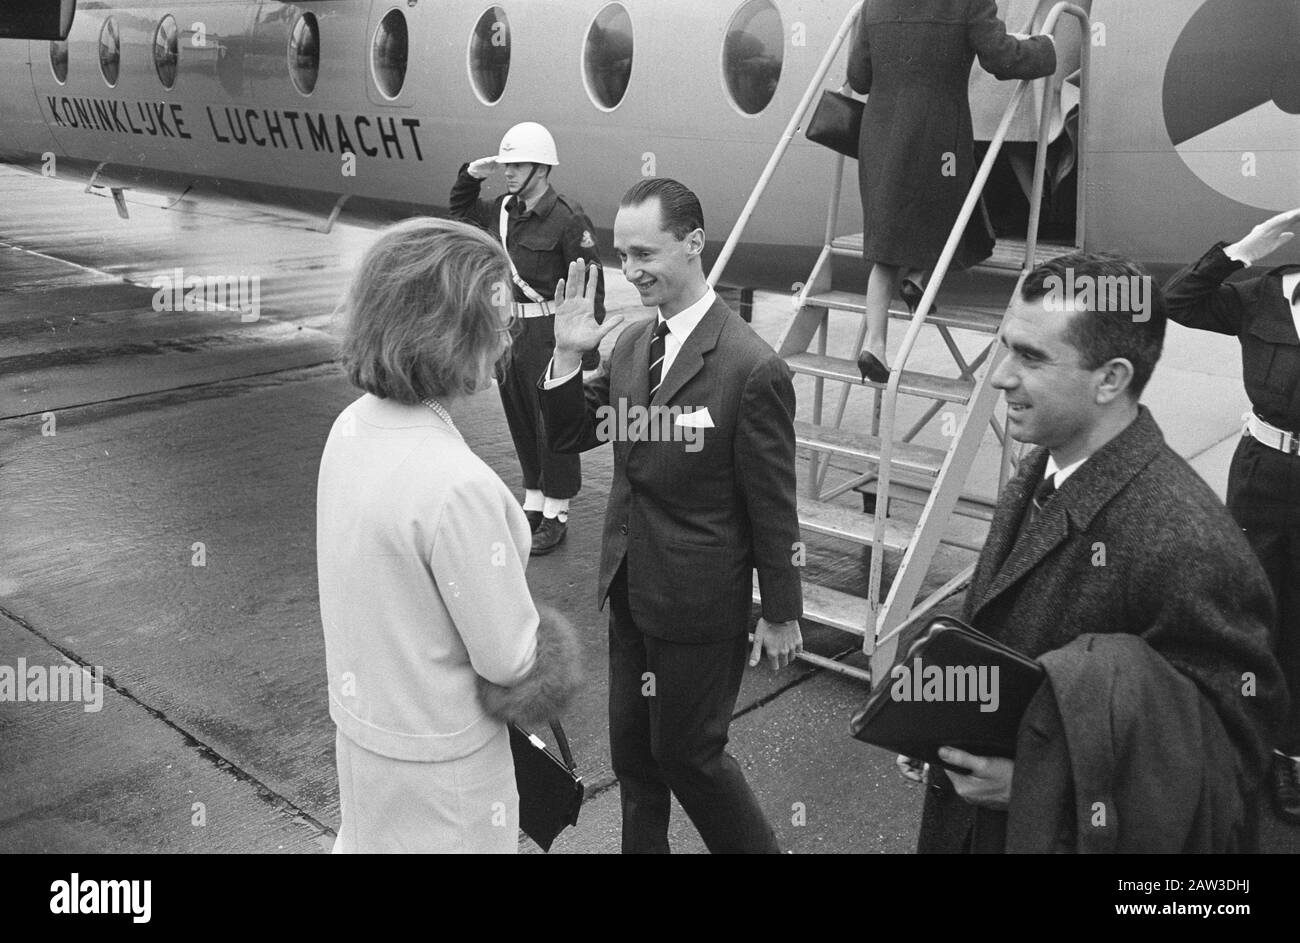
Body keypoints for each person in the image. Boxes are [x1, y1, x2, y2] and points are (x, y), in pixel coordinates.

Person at [914, 252, 1286, 853]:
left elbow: (1227, 772)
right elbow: (1000, 619)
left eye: (1031, 357)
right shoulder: (1041, 470)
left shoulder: (1189, 542)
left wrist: (1035, 787)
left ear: (1110, 379)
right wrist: (934, 714)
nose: (1002, 376)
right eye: (1006, 347)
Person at [538, 178, 804, 853]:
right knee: (636, 761)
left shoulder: (751, 366)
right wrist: (568, 355)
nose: (630, 271)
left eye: (645, 254)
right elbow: (573, 433)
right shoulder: (631, 343)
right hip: (630, 588)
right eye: (622, 255)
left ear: (693, 242)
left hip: (697, 601)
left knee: (690, 754)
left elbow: (773, 503)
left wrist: (780, 608)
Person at [317, 217, 580, 853]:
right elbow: (510, 660)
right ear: (450, 327)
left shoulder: (351, 427)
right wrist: (550, 648)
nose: (508, 331)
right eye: (497, 313)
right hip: (444, 777)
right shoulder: (459, 484)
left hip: (365, 743)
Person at [1164, 207, 1300, 826]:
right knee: (1250, 609)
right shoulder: (1256, 295)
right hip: (1263, 475)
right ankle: (1246, 742)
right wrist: (1241, 250)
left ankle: (1292, 754)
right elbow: (1178, 300)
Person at [845, 0, 1057, 382]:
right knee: (956, 208)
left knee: (886, 237)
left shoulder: (872, 4)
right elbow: (1001, 58)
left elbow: (858, 78)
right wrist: (1046, 48)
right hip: (939, 130)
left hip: (880, 133)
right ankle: (920, 278)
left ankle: (874, 342)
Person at [449, 121, 605, 554]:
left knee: (552, 422)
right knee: (519, 414)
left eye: (516, 165)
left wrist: (584, 356)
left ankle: (557, 513)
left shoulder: (568, 220)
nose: (508, 172)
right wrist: (472, 175)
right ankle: (533, 502)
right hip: (513, 330)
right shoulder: (504, 210)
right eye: (506, 165)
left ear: (541, 168)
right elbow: (460, 213)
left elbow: (592, 286)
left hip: (552, 333)